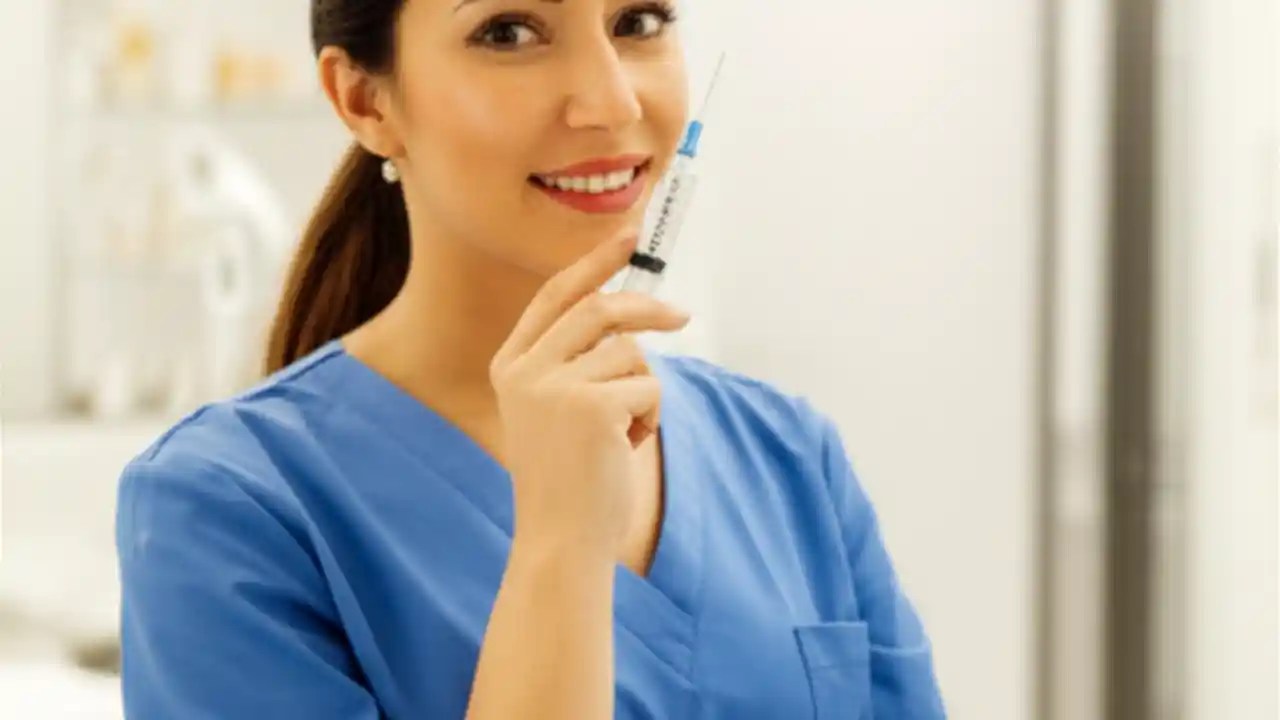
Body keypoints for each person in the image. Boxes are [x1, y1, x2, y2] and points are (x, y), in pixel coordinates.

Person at [115, 0, 946, 717]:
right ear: (365, 100)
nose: (612, 101)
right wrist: (561, 543)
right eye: (509, 31)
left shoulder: (789, 452)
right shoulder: (224, 507)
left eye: (639, 22)